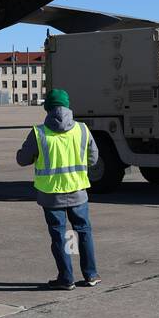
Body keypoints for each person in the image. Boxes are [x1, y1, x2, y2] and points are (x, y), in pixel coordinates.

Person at [16, 88, 100, 291]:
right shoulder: (82, 129)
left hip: (51, 195)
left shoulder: (39, 132)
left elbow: (22, 160)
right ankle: (91, 275)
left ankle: (66, 278)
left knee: (59, 236)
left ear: (48, 108)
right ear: (67, 105)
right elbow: (93, 158)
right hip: (78, 191)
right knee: (83, 232)